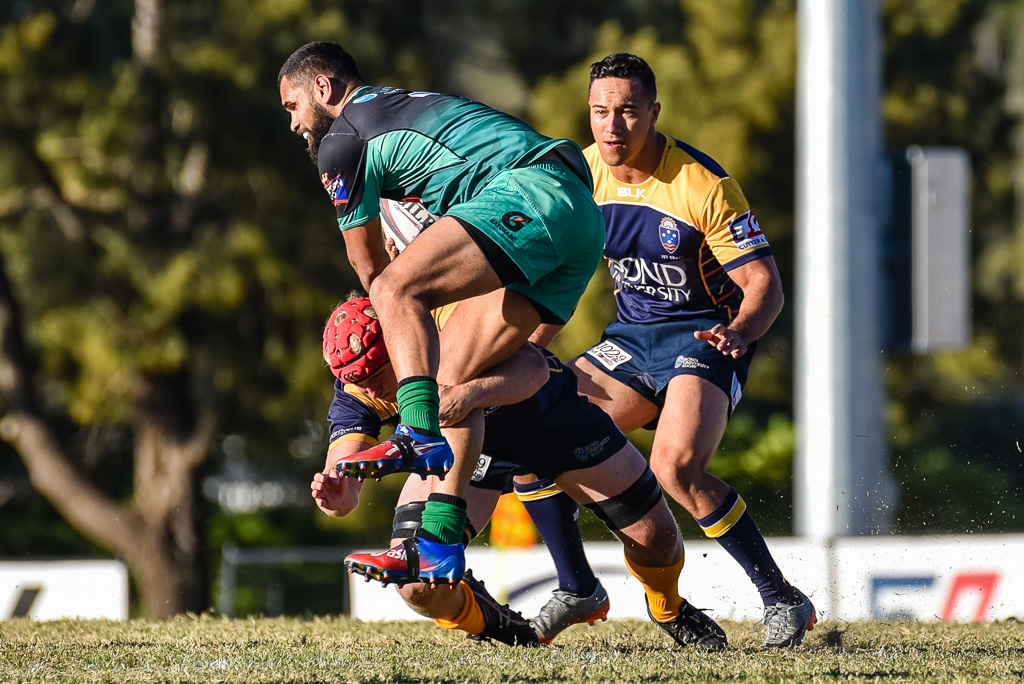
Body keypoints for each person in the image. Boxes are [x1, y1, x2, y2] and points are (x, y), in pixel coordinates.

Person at [279, 41, 605, 587]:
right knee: (457, 380)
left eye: (291, 106)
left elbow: (371, 273)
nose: (292, 125)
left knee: (392, 290)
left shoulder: (342, 138)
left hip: (534, 191)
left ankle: (417, 432)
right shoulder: (388, 109)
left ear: (323, 87)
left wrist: (400, 370)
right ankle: (438, 548)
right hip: (578, 222)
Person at [559, 52, 817, 649]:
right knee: (536, 431)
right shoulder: (580, 174)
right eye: (600, 112)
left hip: (705, 335)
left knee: (675, 467)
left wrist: (741, 333)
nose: (613, 126)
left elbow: (765, 287)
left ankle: (781, 598)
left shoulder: (703, 183)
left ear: (654, 111)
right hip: (630, 339)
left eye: (627, 111)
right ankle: (589, 588)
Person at [313, 295, 728, 650]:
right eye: (356, 381)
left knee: (657, 539)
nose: (368, 389)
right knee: (417, 585)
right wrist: (337, 493)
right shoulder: (358, 390)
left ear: (399, 343)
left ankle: (668, 608)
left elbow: (534, 368)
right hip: (470, 452)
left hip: (546, 417)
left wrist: (470, 393)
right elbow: (345, 487)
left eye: (374, 375)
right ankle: (500, 627)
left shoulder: (449, 323)